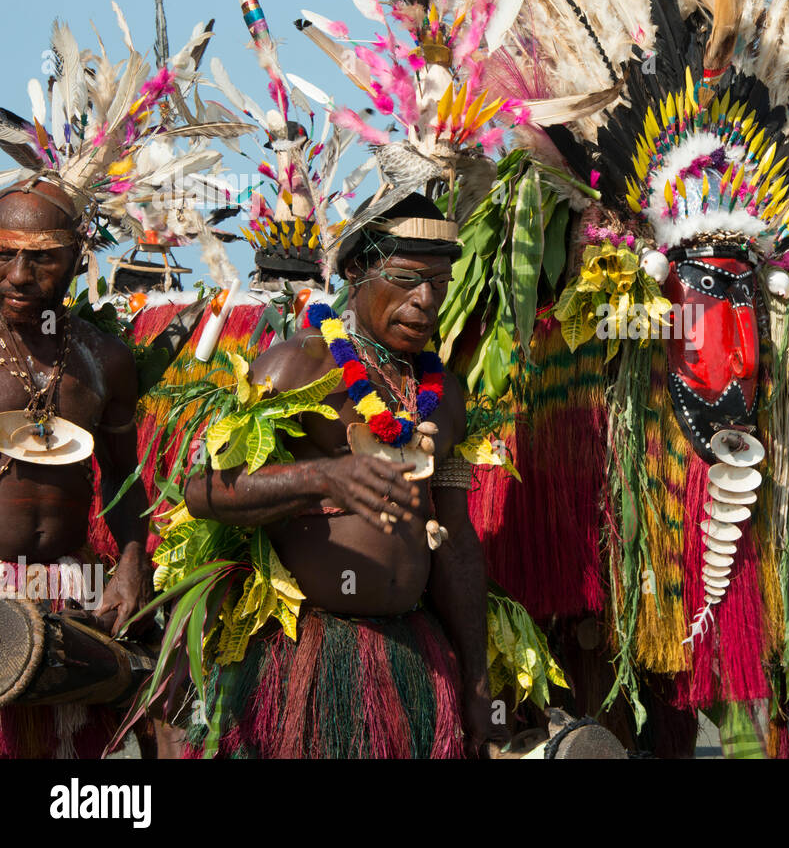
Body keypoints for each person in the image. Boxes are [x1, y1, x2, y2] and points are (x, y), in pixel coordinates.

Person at [183, 193, 501, 758]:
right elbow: (202, 490)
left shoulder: (443, 394)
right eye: (406, 279)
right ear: (357, 269)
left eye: (440, 284)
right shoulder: (297, 364)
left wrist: (476, 680)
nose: (426, 301)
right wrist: (326, 478)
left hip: (413, 653)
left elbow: (455, 542)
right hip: (308, 651)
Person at [0, 179, 152, 758]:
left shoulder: (104, 359)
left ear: (77, 255)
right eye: (3, 253)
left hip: (70, 592)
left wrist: (133, 564)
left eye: (41, 258)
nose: (18, 275)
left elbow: (122, 475)